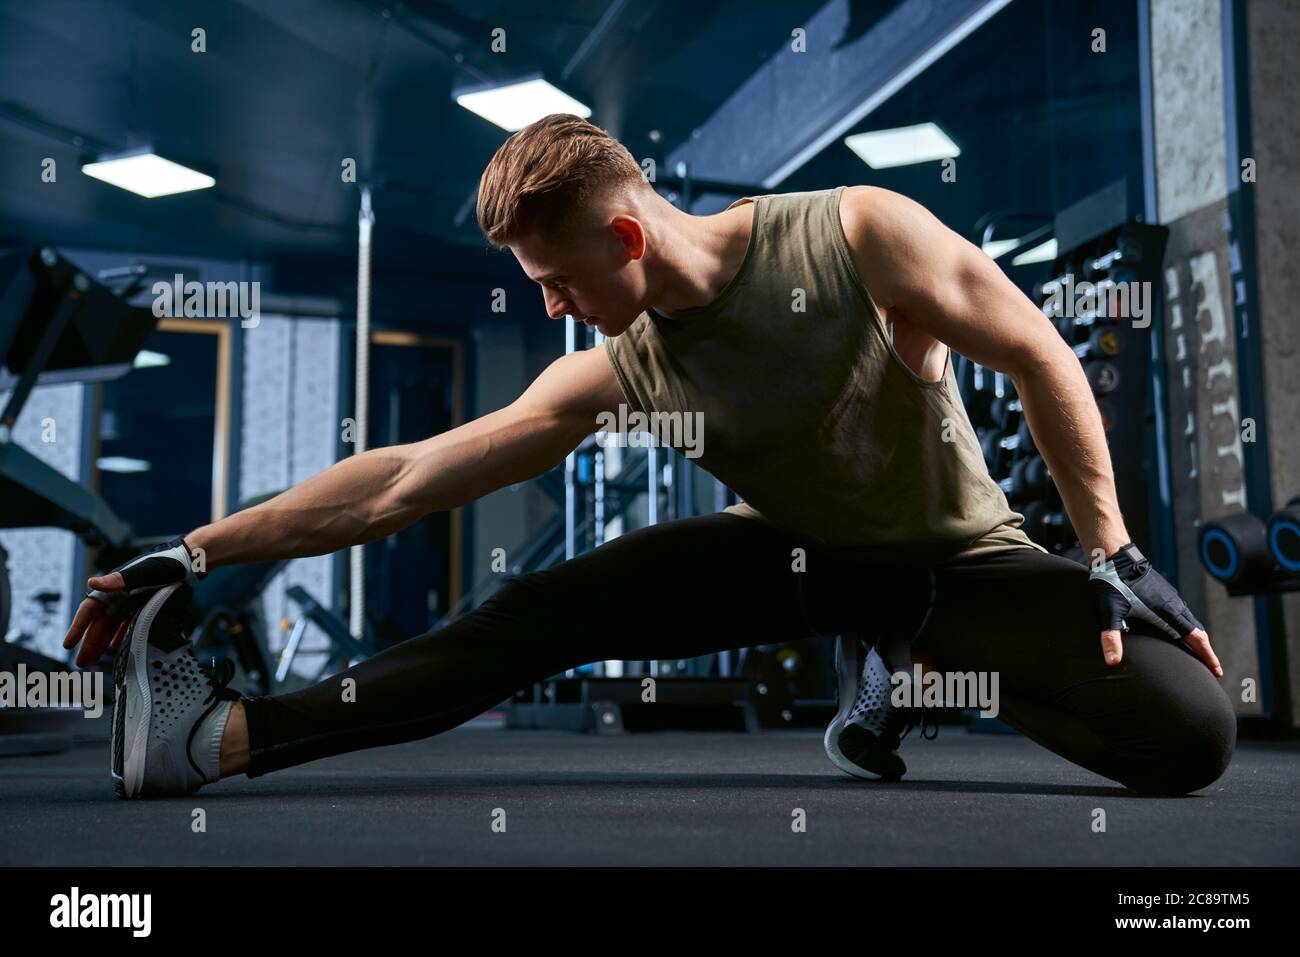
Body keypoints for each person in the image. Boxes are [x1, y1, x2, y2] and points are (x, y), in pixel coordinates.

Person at [65, 114, 1234, 800]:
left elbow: (1037, 349)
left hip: (957, 565)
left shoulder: (855, 236)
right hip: (795, 557)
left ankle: (904, 652)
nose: (560, 309)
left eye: (562, 281)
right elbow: (408, 476)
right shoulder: (617, 367)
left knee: (1191, 736)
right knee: (533, 614)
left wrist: (1107, 547)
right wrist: (197, 547)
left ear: (626, 235)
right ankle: (216, 738)